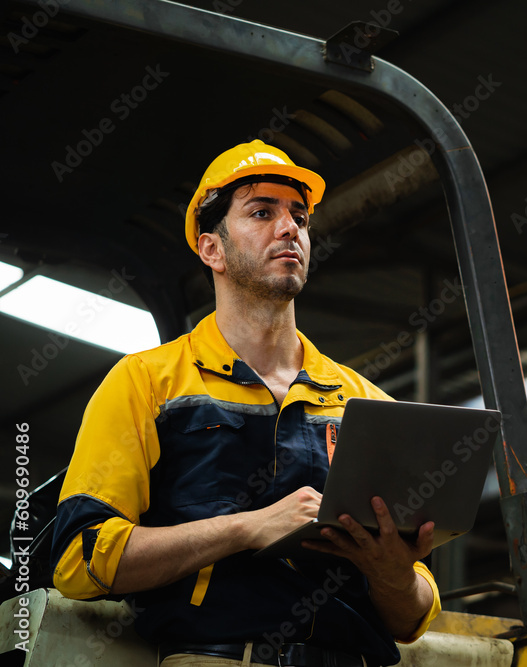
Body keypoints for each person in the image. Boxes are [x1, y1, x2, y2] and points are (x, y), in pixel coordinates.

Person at [51, 140, 440, 667]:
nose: (290, 229)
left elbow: (410, 619)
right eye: (263, 212)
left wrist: (390, 572)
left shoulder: (365, 403)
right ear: (212, 250)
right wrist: (247, 527)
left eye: (299, 217)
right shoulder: (146, 382)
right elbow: (80, 558)